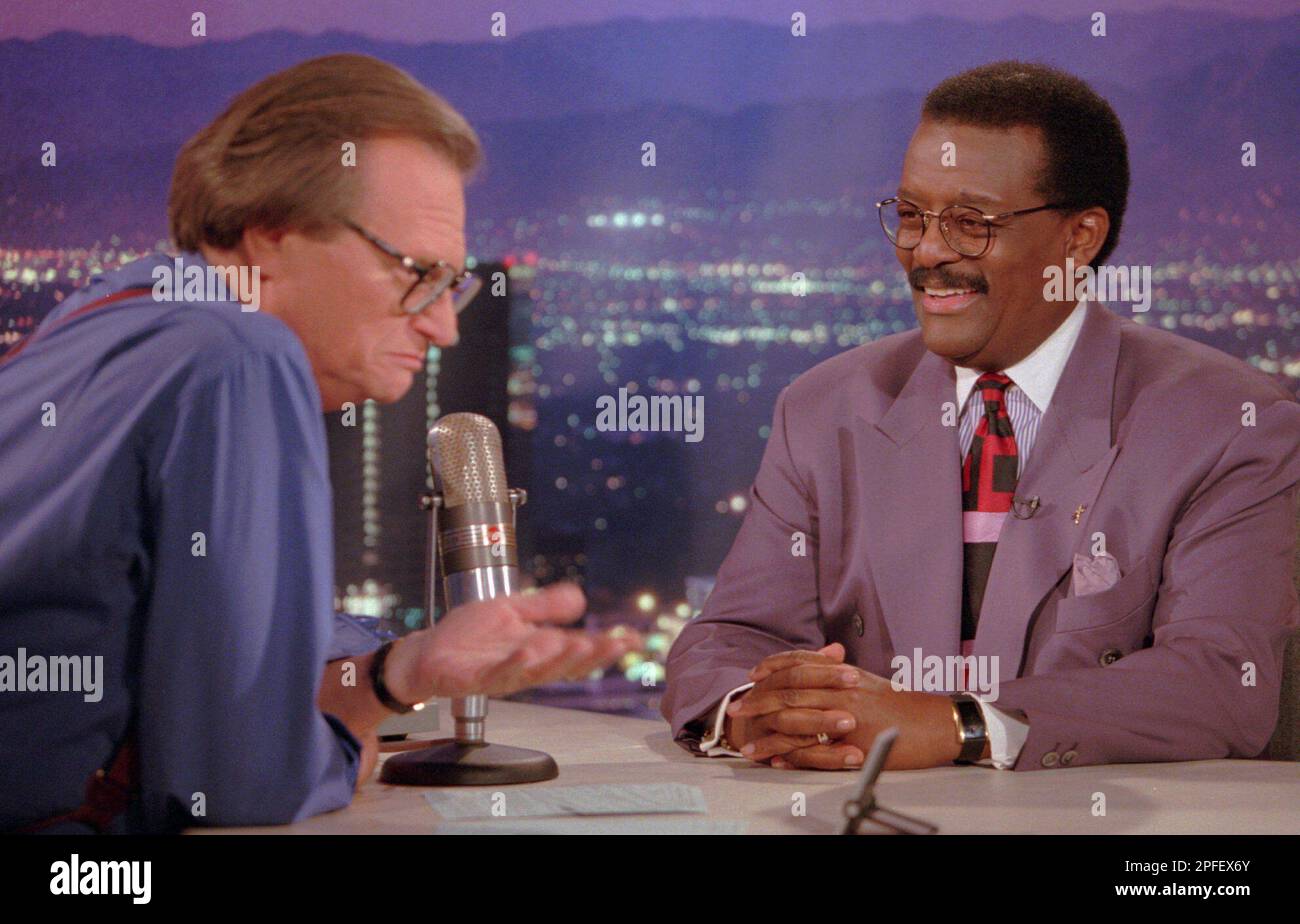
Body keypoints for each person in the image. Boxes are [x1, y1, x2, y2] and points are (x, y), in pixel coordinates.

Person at [0, 53, 637, 833]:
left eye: (453, 286)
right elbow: (241, 782)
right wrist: (338, 753)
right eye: (417, 275)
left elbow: (196, 657)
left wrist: (400, 669)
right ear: (272, 238)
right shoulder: (238, 353)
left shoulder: (111, 313)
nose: (443, 325)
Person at [662, 61, 1300, 773]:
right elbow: (727, 637)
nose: (927, 252)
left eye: (971, 223)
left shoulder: (1229, 423)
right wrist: (760, 712)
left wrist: (958, 725)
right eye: (910, 215)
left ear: (1080, 238)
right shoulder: (824, 408)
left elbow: (1220, 684)